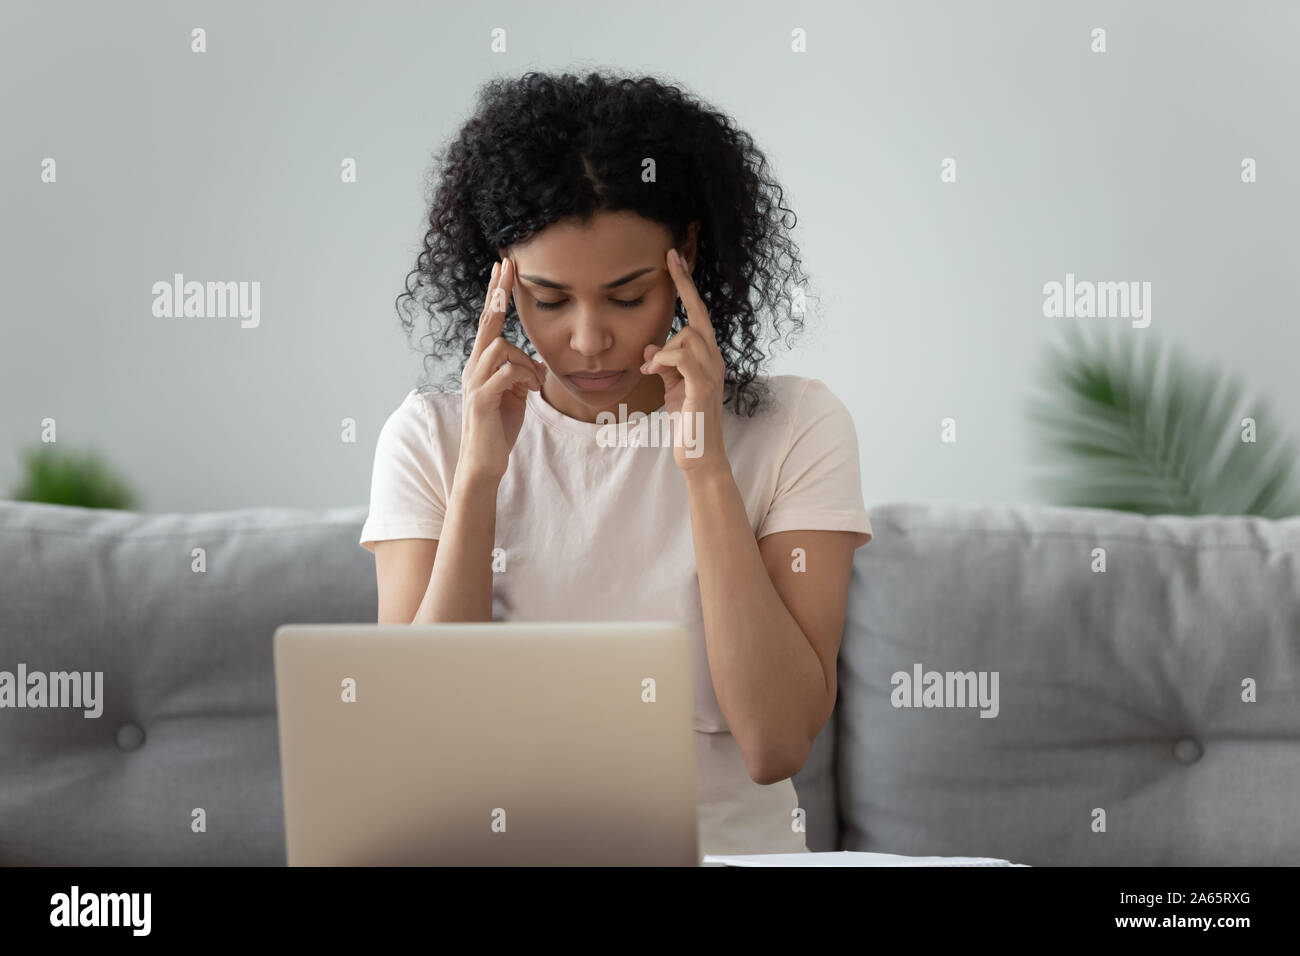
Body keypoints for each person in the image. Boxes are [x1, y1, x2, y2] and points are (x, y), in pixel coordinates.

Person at [359, 70, 873, 857]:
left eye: (628, 296)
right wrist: (479, 481)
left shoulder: (797, 426)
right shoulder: (431, 438)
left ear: (688, 255)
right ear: (502, 277)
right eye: (550, 298)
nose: (589, 338)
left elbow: (775, 744)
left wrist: (703, 468)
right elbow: (416, 755)